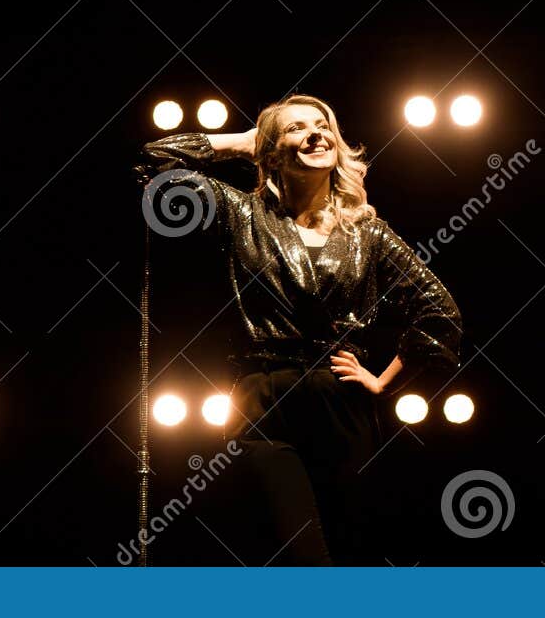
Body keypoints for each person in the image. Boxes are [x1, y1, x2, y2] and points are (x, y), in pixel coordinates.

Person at [136, 93, 462, 563]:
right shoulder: (241, 214)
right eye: (295, 128)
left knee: (350, 554)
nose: (315, 133)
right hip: (263, 399)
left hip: (339, 398)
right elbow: (155, 156)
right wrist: (240, 142)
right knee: (299, 557)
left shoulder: (366, 233)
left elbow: (439, 311)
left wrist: (385, 380)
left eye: (322, 124)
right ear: (270, 153)